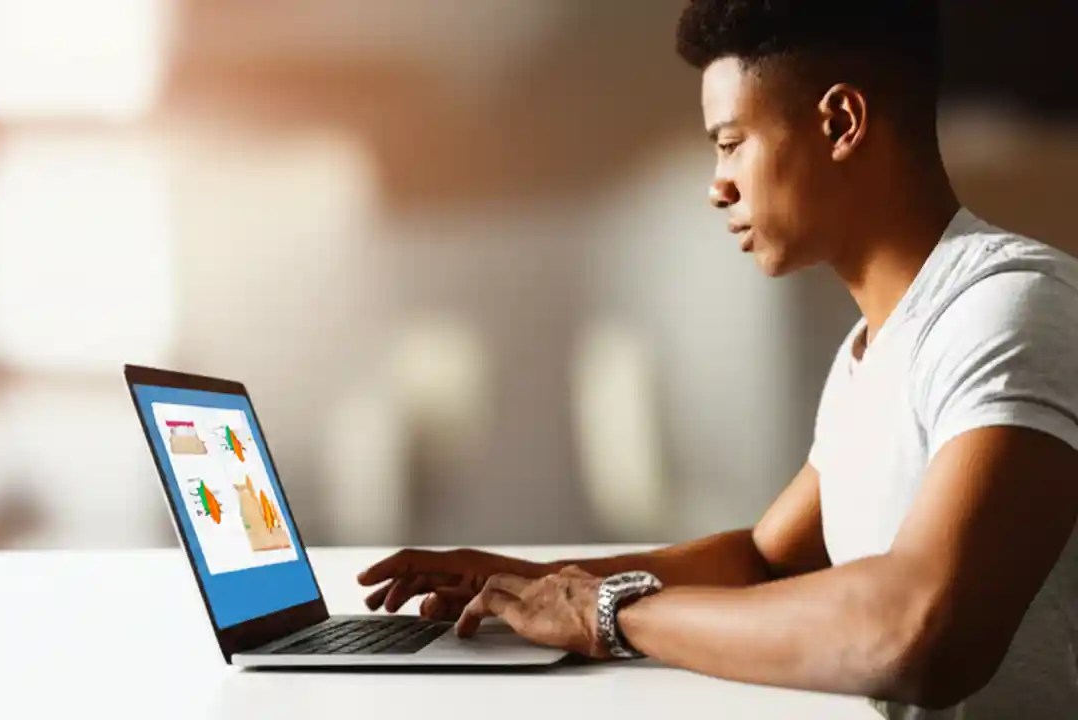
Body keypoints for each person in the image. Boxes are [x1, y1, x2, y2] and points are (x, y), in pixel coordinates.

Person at [356, 2, 1078, 718]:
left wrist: (609, 613)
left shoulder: (1008, 308)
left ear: (841, 123)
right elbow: (763, 562)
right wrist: (531, 585)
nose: (716, 184)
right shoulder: (872, 349)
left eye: (731, 143)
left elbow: (920, 632)